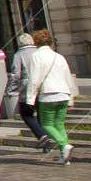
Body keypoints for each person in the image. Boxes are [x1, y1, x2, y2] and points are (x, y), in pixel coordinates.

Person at [24, 29, 77, 164]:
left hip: (48, 94)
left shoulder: (37, 56)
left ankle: (64, 145)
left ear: (36, 42)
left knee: (46, 124)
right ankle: (65, 155)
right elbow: (68, 77)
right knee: (59, 124)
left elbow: (34, 79)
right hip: (64, 93)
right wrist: (71, 97)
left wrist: (30, 98)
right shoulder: (59, 56)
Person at [5, 33, 51, 152]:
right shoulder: (39, 52)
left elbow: (16, 75)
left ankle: (41, 135)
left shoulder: (19, 55)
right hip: (42, 86)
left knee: (26, 114)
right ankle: (46, 142)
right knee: (41, 114)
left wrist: (10, 90)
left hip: (27, 88)